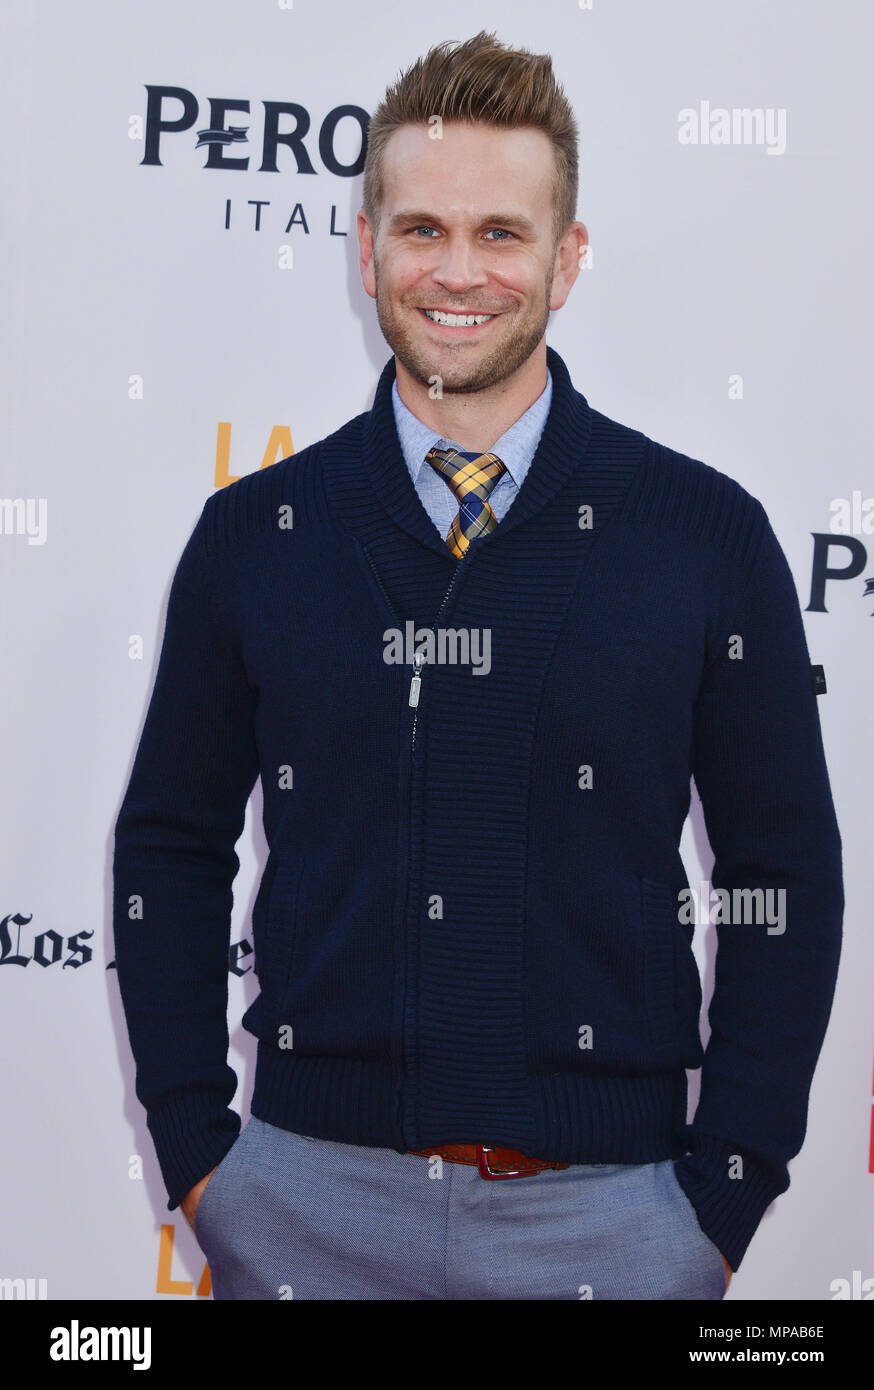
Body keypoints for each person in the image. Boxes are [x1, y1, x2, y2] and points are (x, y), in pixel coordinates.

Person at [112, 30, 843, 1300]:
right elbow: (170, 846)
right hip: (301, 1214)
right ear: (365, 249)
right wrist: (197, 1154)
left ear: (565, 259)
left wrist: (723, 1194)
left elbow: (786, 875)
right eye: (422, 231)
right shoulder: (254, 535)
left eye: (502, 234)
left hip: (613, 1225)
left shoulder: (702, 535)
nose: (459, 274)